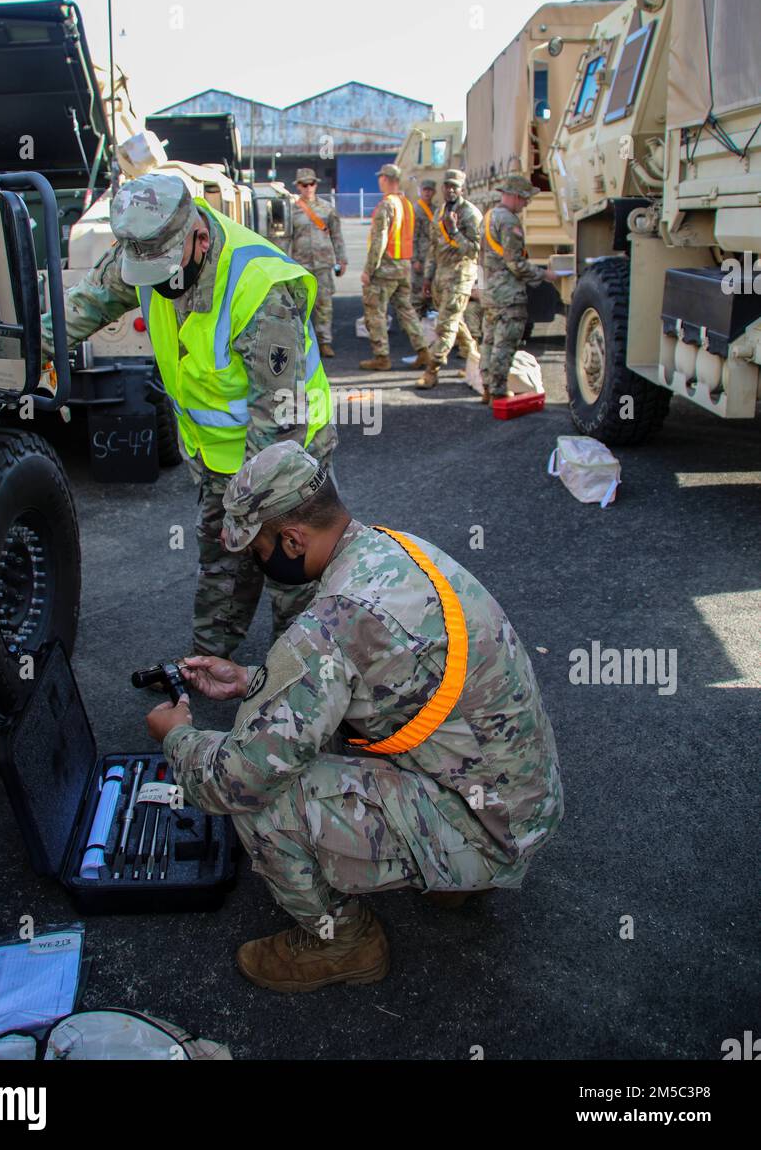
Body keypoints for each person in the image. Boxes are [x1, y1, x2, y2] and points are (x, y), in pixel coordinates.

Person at [146, 440, 564, 994]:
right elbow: (377, 682)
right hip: (519, 799)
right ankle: (457, 876)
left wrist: (177, 736)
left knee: (269, 797)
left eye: (258, 549)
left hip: (489, 825)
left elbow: (237, 779)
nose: (257, 563)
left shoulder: (332, 625)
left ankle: (339, 941)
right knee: (300, 736)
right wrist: (252, 680)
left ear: (292, 539)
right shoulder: (393, 550)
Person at [39, 171, 336, 656]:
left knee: (293, 573)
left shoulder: (260, 289)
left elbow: (281, 423)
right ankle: (207, 661)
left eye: (165, 269)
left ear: (199, 237)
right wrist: (27, 346)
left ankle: (299, 681)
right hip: (218, 455)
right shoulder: (146, 247)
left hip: (289, 454)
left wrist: (245, 511)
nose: (157, 283)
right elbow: (88, 302)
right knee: (222, 558)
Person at [479, 172, 557, 405]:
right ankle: (499, 392)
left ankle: (486, 387)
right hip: (508, 294)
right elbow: (515, 263)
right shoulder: (510, 221)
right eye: (524, 198)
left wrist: (480, 288)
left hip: (491, 292)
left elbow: (480, 256)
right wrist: (545, 274)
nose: (526, 203)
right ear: (512, 196)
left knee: (489, 341)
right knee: (505, 344)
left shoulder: (489, 216)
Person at [359, 164, 431, 372]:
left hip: (385, 268)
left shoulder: (386, 205)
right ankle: (423, 350)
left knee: (376, 312)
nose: (379, 180)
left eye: (380, 177)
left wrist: (368, 270)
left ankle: (381, 357)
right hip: (403, 266)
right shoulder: (406, 204)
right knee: (406, 311)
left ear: (386, 179)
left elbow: (379, 241)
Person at [416, 170, 482, 389]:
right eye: (447, 185)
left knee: (445, 326)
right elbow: (434, 248)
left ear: (462, 189)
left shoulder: (470, 214)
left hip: (460, 276)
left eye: (455, 186)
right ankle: (474, 357)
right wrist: (427, 277)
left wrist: (454, 231)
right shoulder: (440, 212)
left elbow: (474, 250)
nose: (450, 190)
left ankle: (432, 371)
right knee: (454, 321)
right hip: (441, 277)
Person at [287, 167, 347, 358]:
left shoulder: (327, 208)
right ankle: (300, 343)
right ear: (298, 186)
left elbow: (337, 236)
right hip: (300, 265)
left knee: (324, 304)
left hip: (322, 264)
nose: (308, 188)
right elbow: (286, 238)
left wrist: (342, 259)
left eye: (311, 183)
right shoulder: (291, 210)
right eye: (304, 184)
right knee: (299, 306)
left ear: (316, 184)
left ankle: (325, 342)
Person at [411, 178, 437, 315]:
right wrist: (414, 259)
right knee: (417, 293)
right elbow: (412, 236)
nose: (427, 193)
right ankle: (415, 323)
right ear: (420, 191)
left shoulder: (436, 210)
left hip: (432, 257)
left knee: (431, 291)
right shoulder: (416, 210)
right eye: (425, 190)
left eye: (430, 190)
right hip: (420, 257)